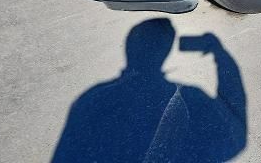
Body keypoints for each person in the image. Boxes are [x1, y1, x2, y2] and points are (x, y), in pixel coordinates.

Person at [52, 19, 246, 163]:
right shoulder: (190, 98)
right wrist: (220, 55)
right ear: (167, 52)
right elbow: (235, 140)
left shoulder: (92, 99)